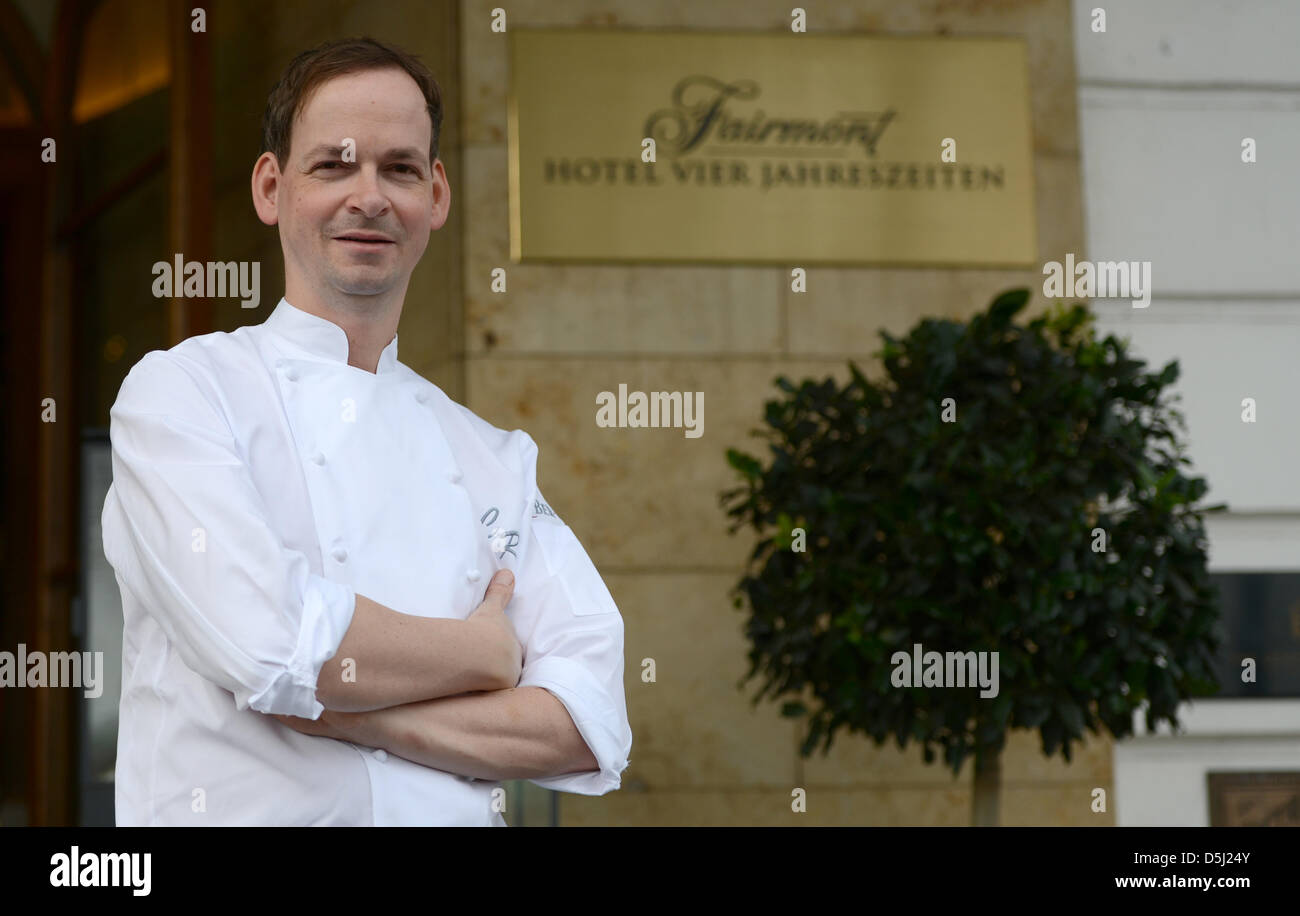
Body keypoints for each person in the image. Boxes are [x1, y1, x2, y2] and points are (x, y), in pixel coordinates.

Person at [101, 37, 632, 826]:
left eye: (400, 168)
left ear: (437, 196)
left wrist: (346, 710)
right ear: (271, 187)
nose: (370, 196)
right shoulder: (182, 395)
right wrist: (485, 654)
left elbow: (589, 725)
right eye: (334, 165)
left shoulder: (491, 457)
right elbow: (271, 642)